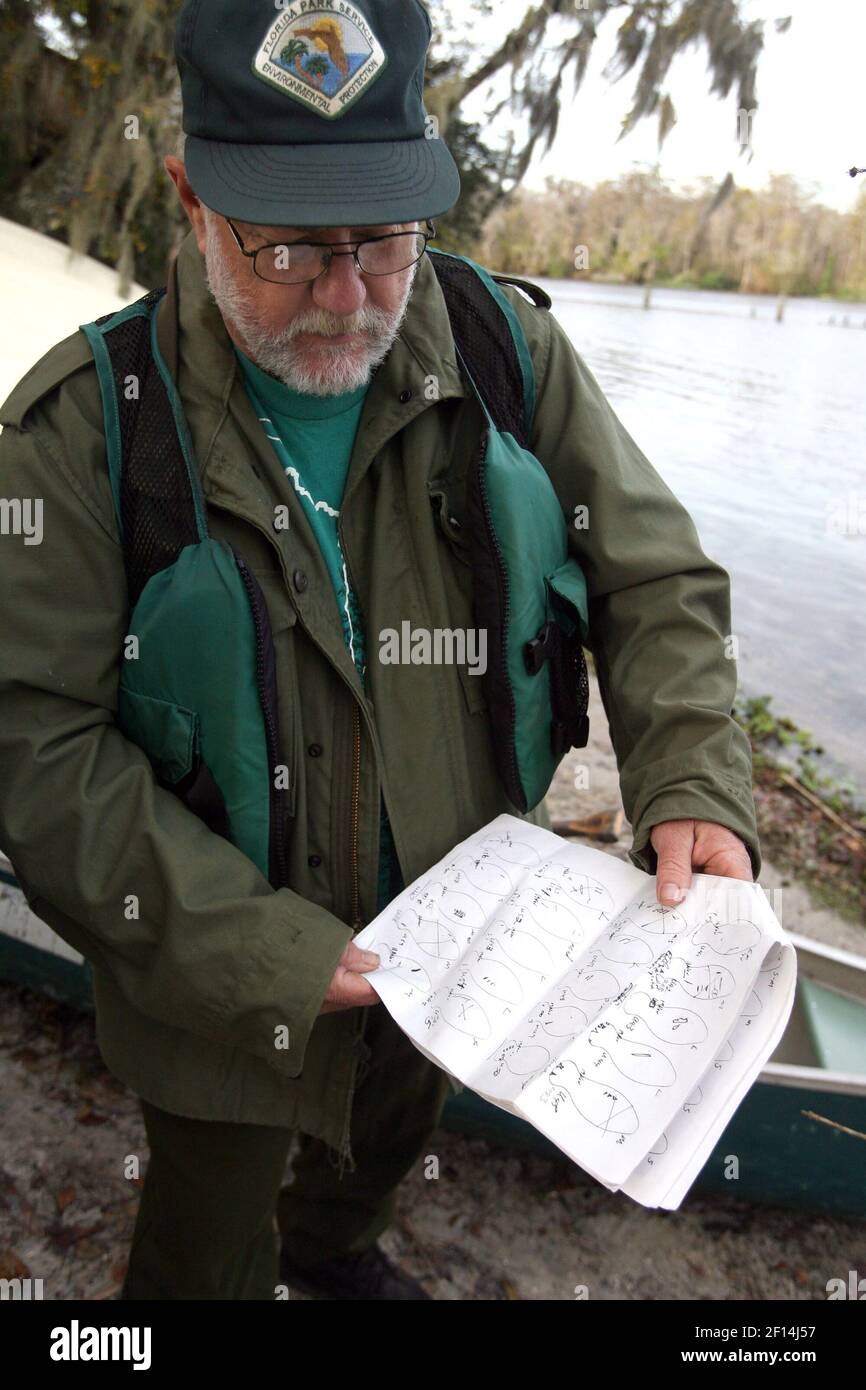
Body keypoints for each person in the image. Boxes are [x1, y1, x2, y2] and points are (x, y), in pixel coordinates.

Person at [0, 0, 760, 1301]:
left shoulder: (499, 344)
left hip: (462, 936)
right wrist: (267, 953)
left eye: (382, 240)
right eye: (291, 248)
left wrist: (691, 775)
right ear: (190, 198)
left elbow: (652, 571)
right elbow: (34, 745)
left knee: (388, 1143)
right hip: (223, 979)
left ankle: (338, 1247)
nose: (347, 297)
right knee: (208, 1222)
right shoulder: (83, 429)